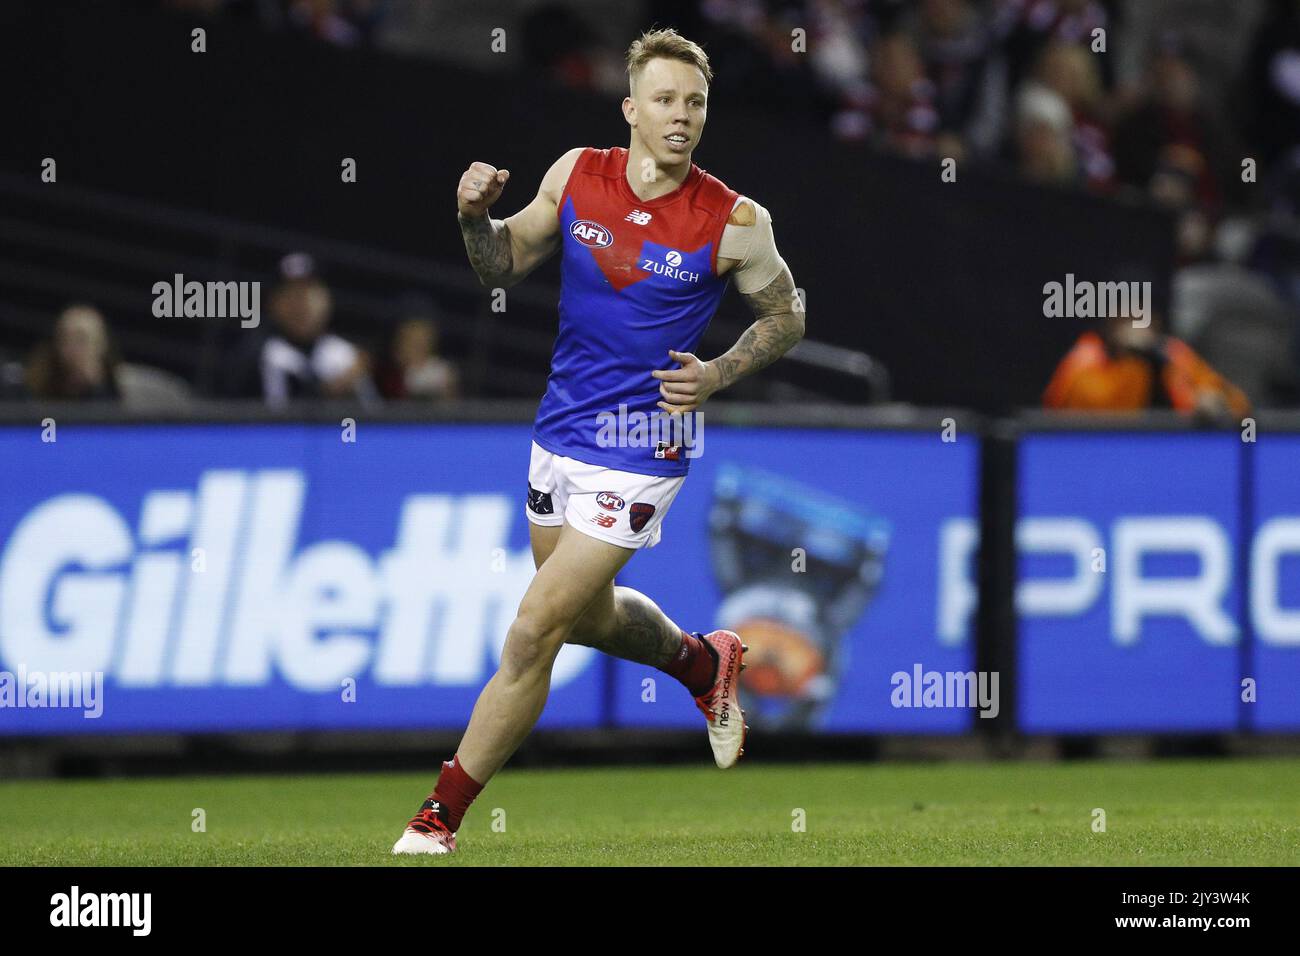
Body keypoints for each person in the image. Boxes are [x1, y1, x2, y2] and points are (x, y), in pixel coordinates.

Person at [392, 27, 805, 855]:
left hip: (646, 442)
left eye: (695, 103)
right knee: (587, 619)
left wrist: (718, 375)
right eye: (665, 100)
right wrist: (473, 216)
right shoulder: (577, 175)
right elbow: (501, 267)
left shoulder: (734, 220)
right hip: (561, 431)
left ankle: (437, 817)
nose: (681, 116)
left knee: (534, 627)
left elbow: (789, 315)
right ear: (631, 109)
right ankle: (701, 662)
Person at [1043, 312, 1251, 420]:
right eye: (1126, 316)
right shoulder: (1087, 358)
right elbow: (1099, 414)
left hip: (1167, 460)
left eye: (1141, 314)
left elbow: (1238, 403)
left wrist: (1213, 400)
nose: (1134, 324)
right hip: (1098, 463)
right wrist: (1132, 359)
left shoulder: (1172, 354)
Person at [26, 304, 121, 401]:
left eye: (81, 339)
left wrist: (96, 385)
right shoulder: (40, 381)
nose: (71, 347)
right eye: (65, 338)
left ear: (100, 345)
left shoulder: (121, 386)